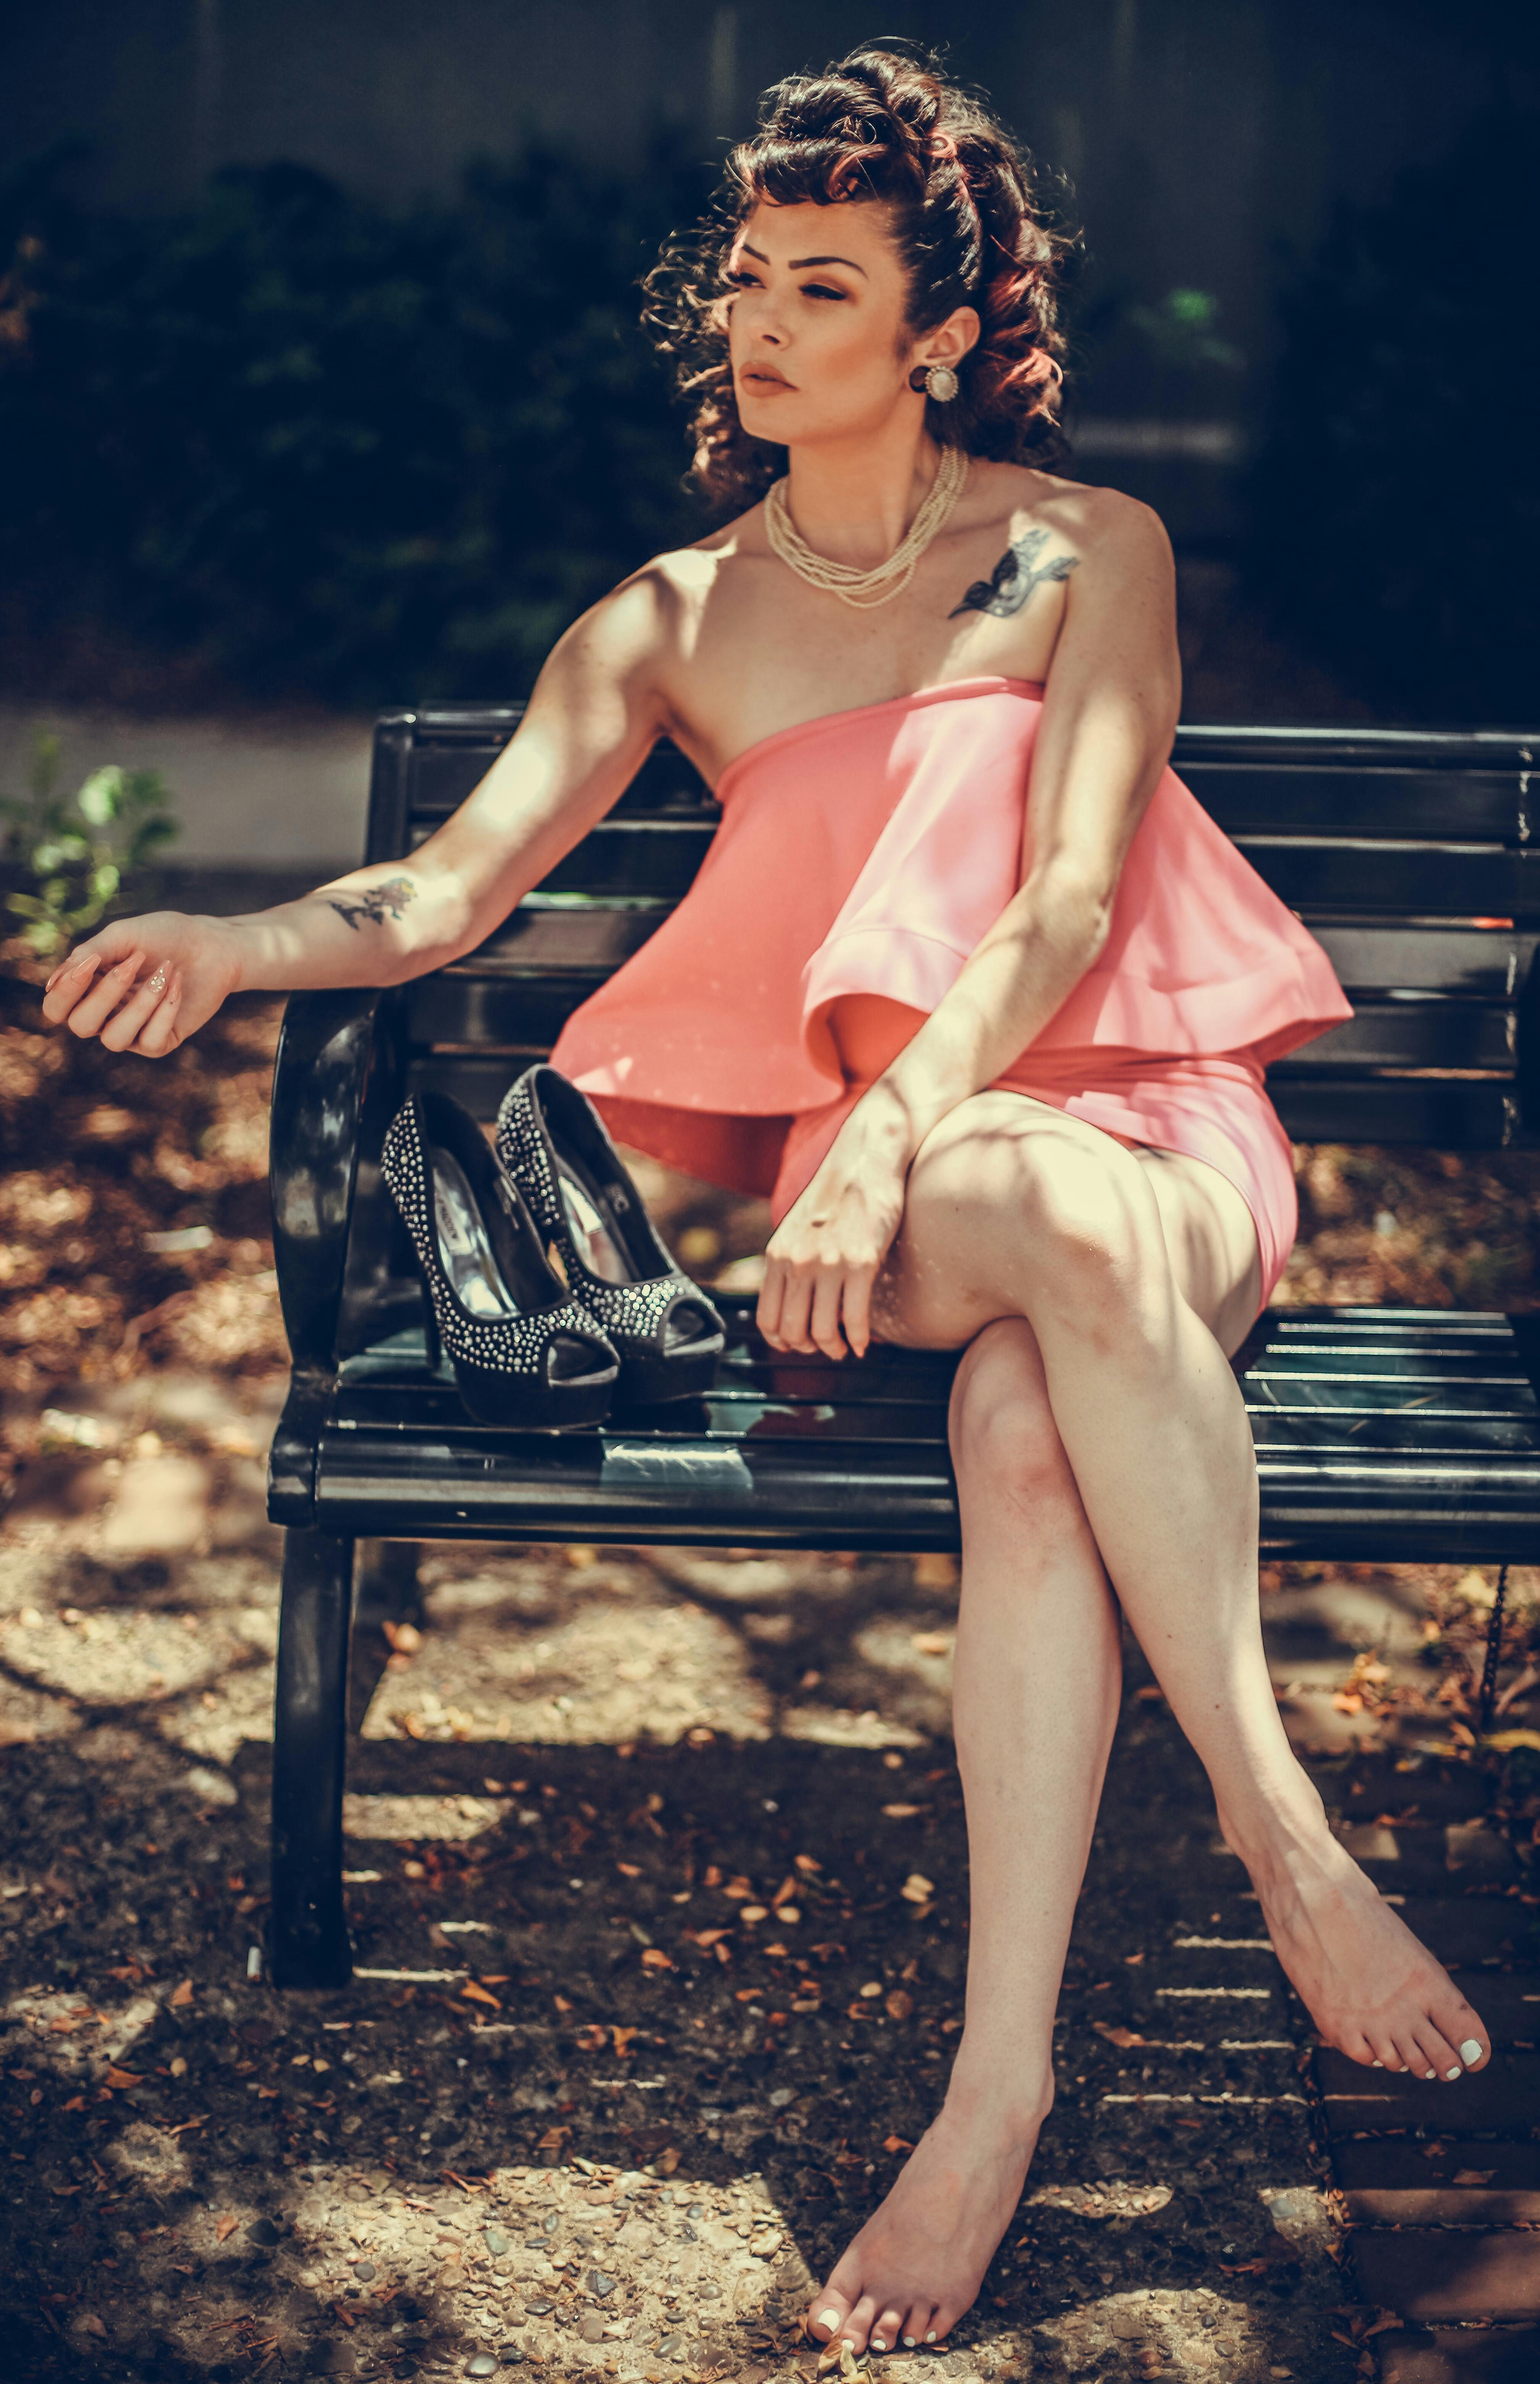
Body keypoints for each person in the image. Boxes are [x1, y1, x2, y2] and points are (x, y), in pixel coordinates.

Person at [44, 43, 1490, 2365]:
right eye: (746, 281)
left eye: (826, 286)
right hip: (899, 1197)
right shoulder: (673, 616)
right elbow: (444, 885)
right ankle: (1280, 1828)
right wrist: (232, 941)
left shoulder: (1079, 549)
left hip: (1141, 1132)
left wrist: (911, 1123)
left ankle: (1002, 2087)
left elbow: (1071, 892)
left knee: (1043, 1406)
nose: (761, 323)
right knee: (1039, 1267)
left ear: (938, 329)